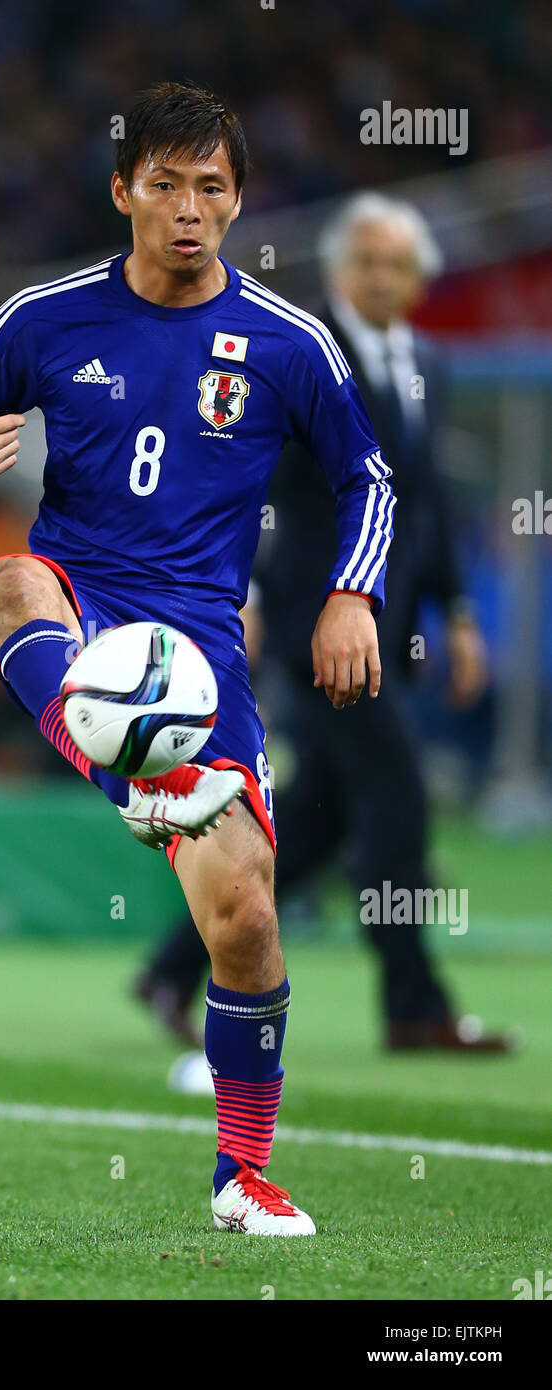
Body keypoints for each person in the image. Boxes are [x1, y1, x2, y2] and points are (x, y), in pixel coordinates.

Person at [0, 84, 395, 1237]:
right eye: (164, 184)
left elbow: (362, 477)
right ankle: (130, 757)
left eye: (211, 188)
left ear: (238, 200)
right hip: (79, 607)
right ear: (120, 189)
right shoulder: (46, 317)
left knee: (244, 921)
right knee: (8, 580)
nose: (188, 209)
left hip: (203, 649)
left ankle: (242, 1175)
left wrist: (349, 597)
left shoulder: (287, 343)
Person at [136, 192, 512, 1055]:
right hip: (318, 625)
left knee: (322, 816)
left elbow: (421, 508)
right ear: (340, 270)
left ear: (420, 278)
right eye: (367, 261)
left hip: (391, 624)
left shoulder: (425, 360)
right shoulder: (298, 352)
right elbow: (242, 479)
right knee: (400, 796)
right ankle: (413, 1005)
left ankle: (168, 968)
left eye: (398, 264)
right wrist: (247, 595)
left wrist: (454, 611)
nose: (382, 277)